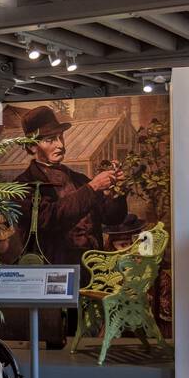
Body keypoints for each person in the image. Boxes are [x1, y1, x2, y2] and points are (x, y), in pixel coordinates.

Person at [12, 105, 129, 265]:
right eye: (50, 140)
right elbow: (46, 219)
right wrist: (93, 187)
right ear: (32, 146)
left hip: (92, 268)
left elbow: (112, 218)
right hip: (55, 270)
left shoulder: (79, 179)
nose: (60, 145)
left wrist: (114, 193)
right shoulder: (22, 185)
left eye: (60, 137)